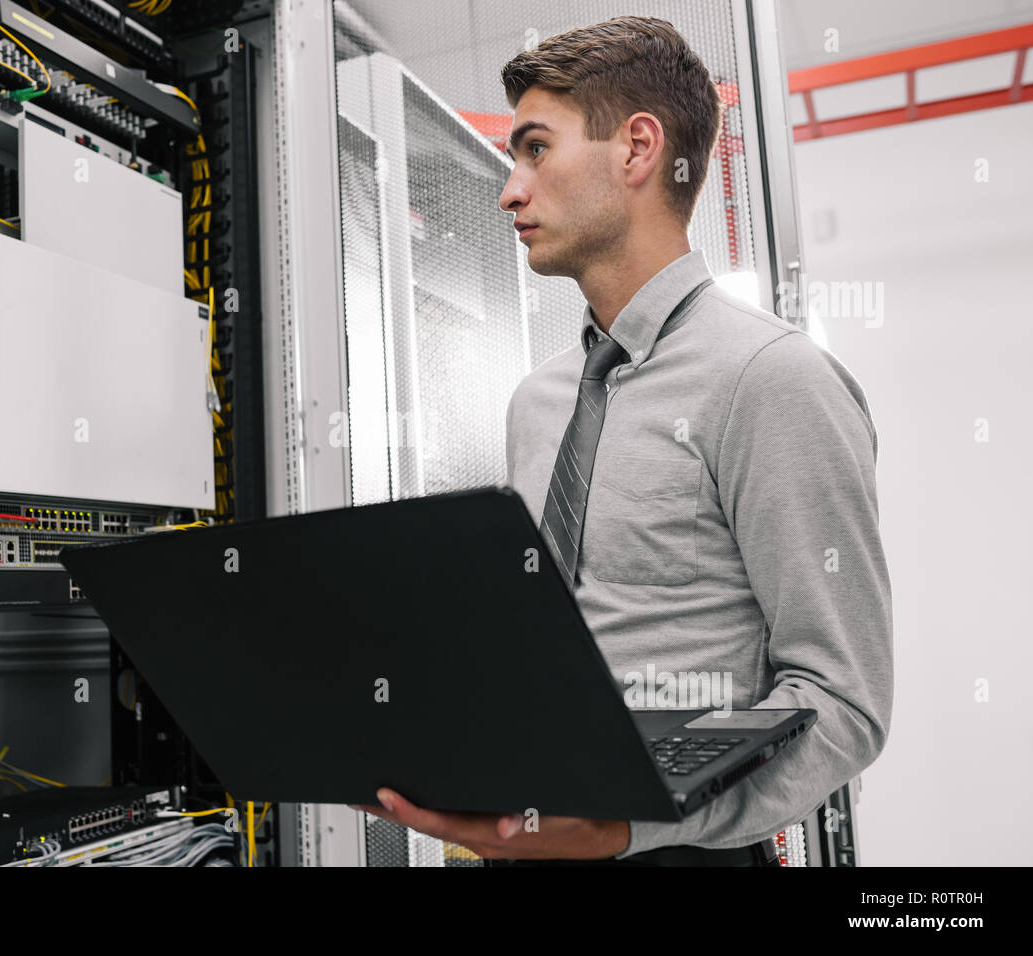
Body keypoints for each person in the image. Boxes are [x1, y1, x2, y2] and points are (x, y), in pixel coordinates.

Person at [353, 16, 892, 866]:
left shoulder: (770, 379)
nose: (509, 191)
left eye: (534, 149)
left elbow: (841, 699)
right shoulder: (538, 402)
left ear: (638, 149)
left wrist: (628, 825)